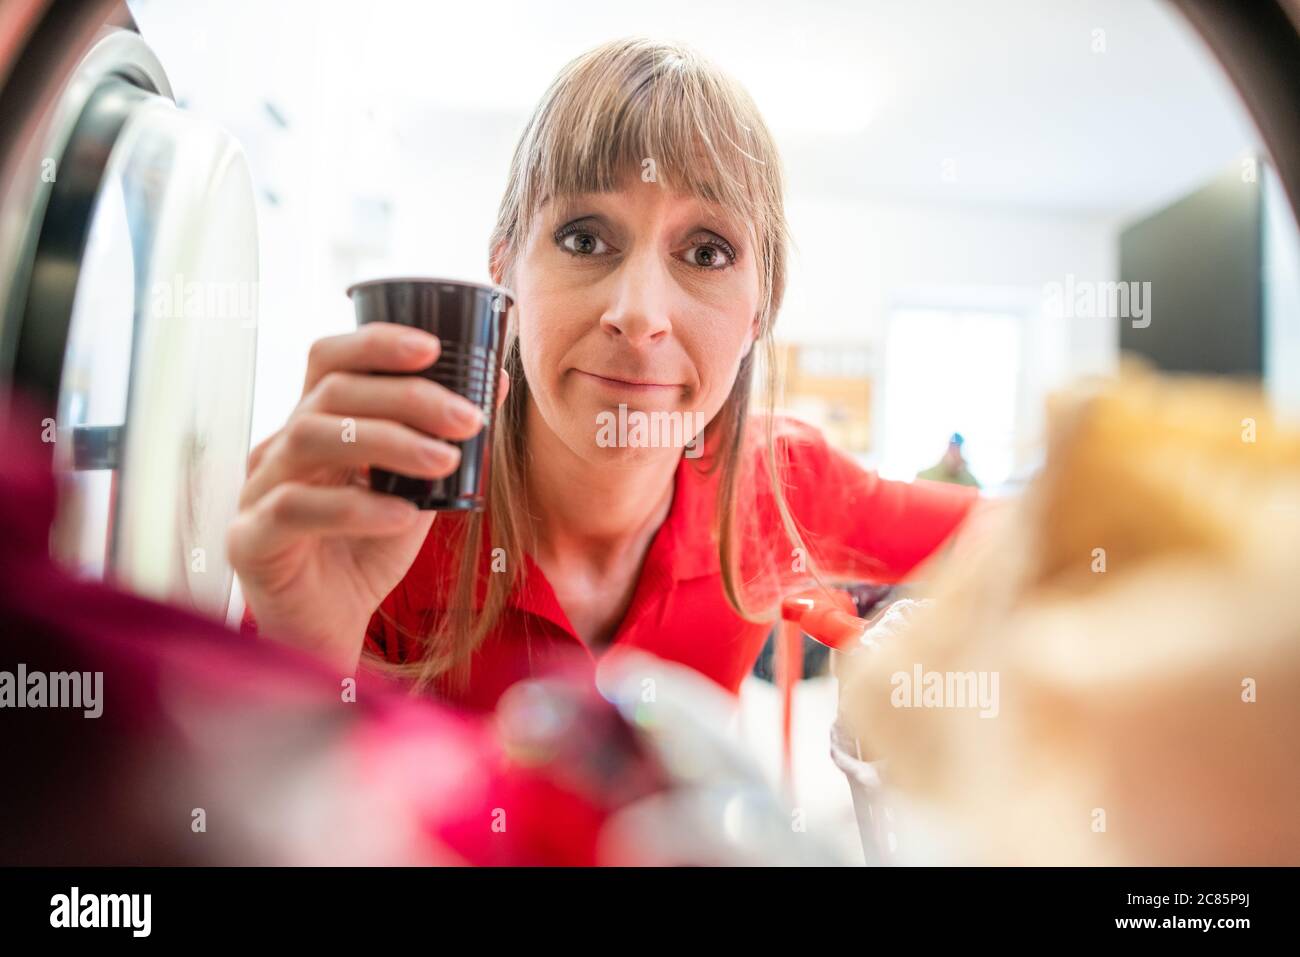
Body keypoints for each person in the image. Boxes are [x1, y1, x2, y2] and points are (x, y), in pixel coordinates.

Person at [229, 37, 982, 713]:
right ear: (506, 275)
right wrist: (305, 647)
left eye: (707, 253)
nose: (638, 312)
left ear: (759, 311)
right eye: (585, 238)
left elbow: (1040, 535)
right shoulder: (388, 508)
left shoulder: (777, 486)